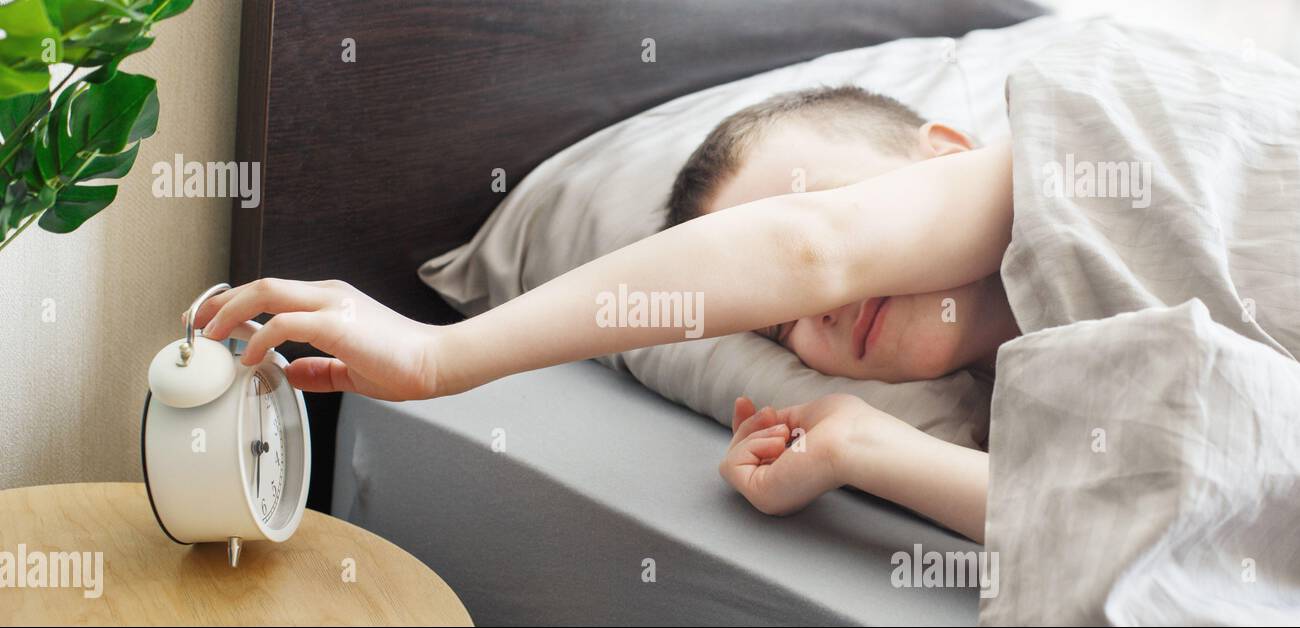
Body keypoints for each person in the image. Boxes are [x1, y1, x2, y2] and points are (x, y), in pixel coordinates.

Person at [195, 86, 1019, 542]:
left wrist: (442, 357)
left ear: (946, 158)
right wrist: (866, 445)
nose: (822, 305)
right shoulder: (1044, 415)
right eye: (778, 324)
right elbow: (1106, 528)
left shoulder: (1073, 146)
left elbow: (810, 248)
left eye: (841, 210)